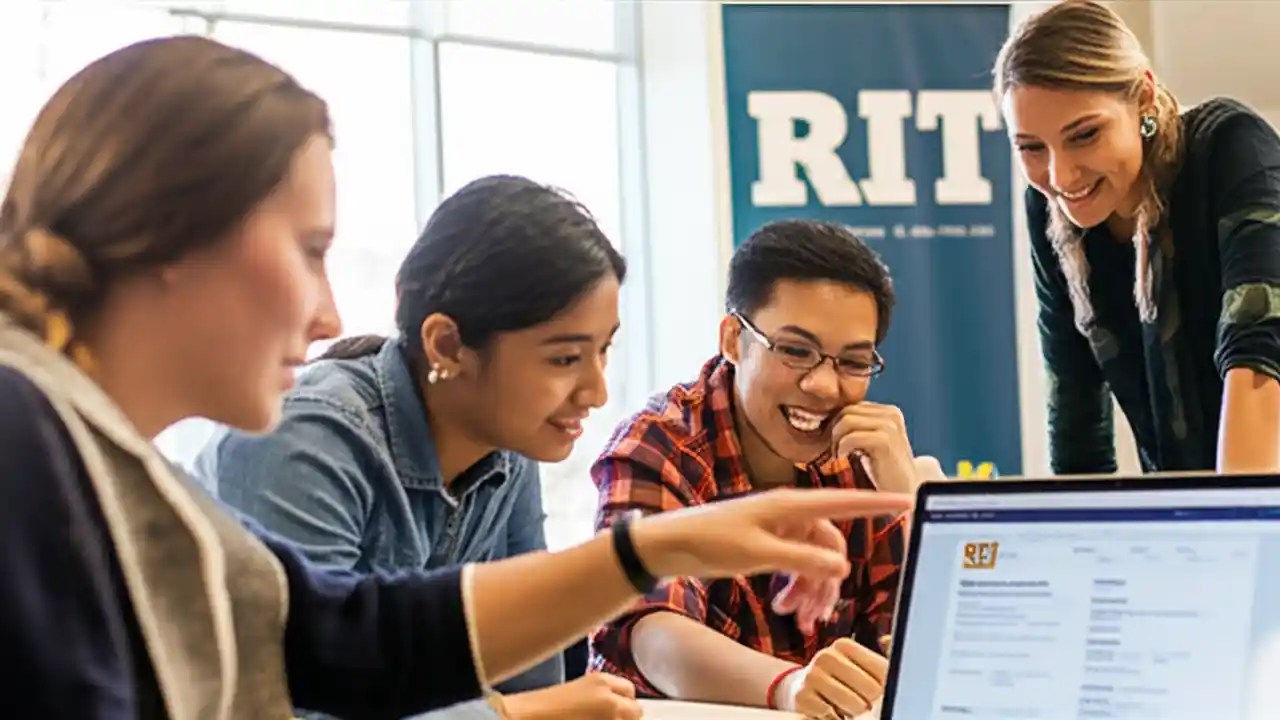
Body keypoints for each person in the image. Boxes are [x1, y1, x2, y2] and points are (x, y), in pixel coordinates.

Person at [0, 36, 917, 719]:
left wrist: (659, 549)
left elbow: (338, 633)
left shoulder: (99, 460)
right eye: (311, 250)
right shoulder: (25, 439)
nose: (328, 316)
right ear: (170, 236)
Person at [196, 174, 639, 719]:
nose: (596, 392)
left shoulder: (508, 442)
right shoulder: (306, 440)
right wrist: (514, 715)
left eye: (604, 351)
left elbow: (532, 671)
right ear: (447, 345)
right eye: (565, 360)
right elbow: (301, 707)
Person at [588, 220, 941, 719]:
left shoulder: (868, 454)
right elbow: (651, 632)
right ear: (733, 339)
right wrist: (788, 687)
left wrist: (912, 501)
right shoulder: (658, 443)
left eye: (853, 362)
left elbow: (940, 648)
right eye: (796, 351)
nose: (823, 385)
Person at [996, 0, 1280, 474]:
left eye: (1084, 135)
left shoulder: (1228, 147)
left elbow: (1259, 357)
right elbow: (1074, 420)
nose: (1060, 174)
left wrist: (1232, 531)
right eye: (1030, 147)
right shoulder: (1048, 209)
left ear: (1143, 98)